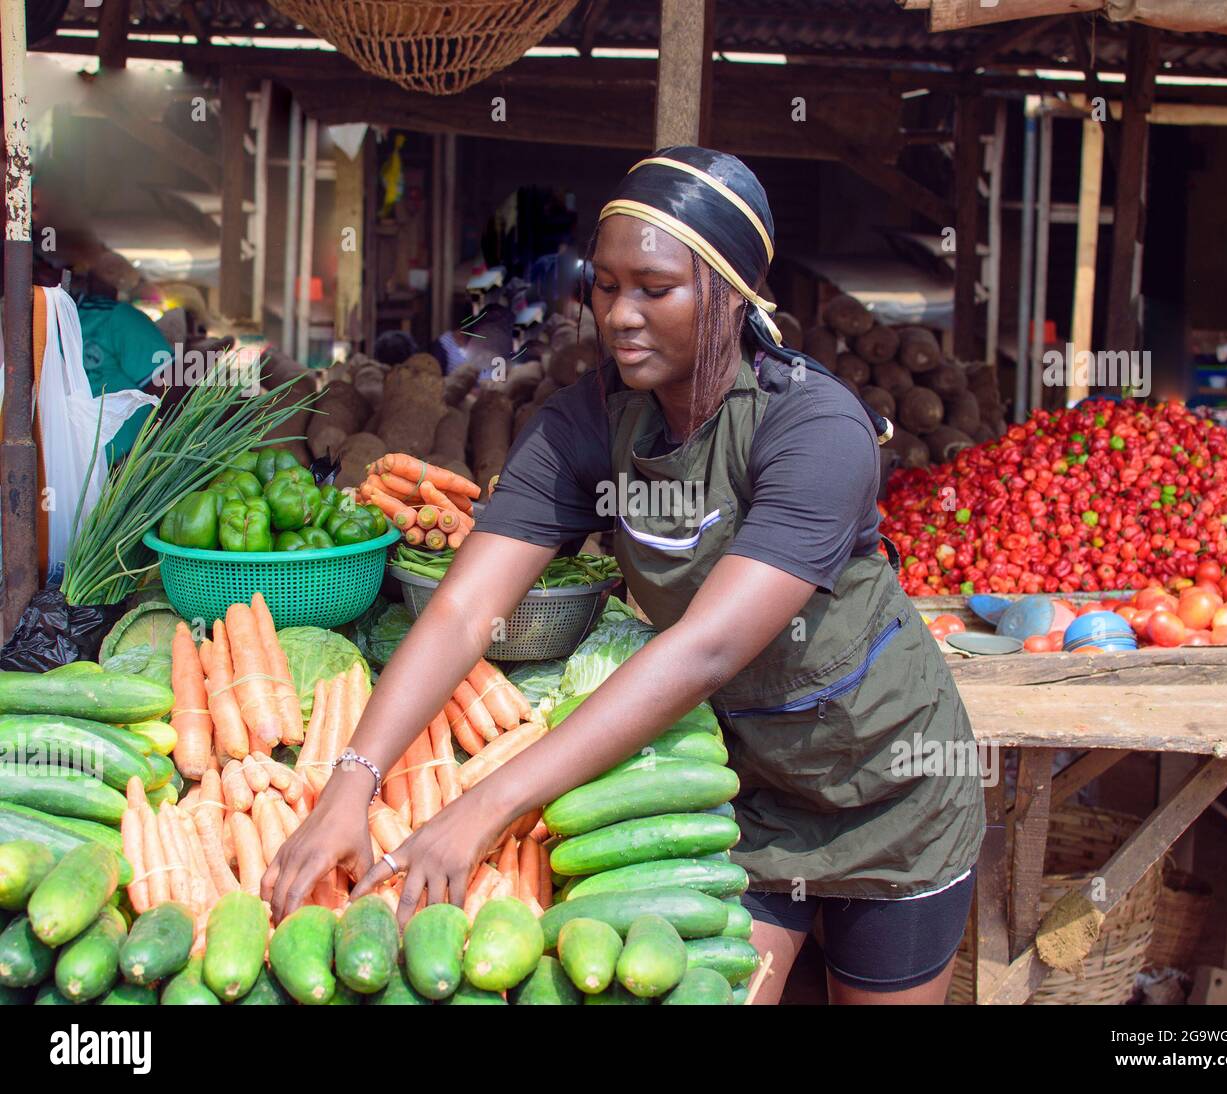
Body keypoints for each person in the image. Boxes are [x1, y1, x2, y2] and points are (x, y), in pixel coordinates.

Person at [264, 147, 985, 1005]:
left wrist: (483, 809)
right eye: (605, 285)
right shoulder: (588, 420)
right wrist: (354, 779)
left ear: (726, 291)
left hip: (886, 788)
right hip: (736, 793)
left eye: (654, 287)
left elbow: (705, 649)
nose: (620, 314)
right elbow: (466, 611)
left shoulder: (814, 428)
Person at [74, 271, 173, 460]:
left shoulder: (115, 318)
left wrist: (144, 457)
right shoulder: (21, 328)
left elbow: (172, 391)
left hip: (121, 469)